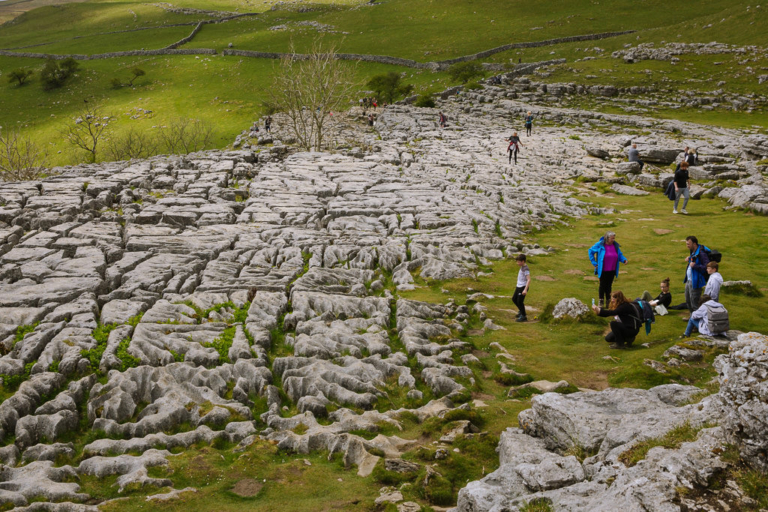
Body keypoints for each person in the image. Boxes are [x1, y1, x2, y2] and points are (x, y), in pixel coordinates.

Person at [588, 231, 628, 307]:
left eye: (614, 238)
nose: (613, 240)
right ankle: (601, 301)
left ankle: (608, 302)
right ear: (607, 238)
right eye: (612, 238)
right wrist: (594, 263)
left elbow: (619, 254)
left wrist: (624, 260)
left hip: (612, 269)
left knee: (609, 285)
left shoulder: (615, 246)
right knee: (602, 285)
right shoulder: (600, 244)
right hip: (603, 269)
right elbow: (590, 251)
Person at [683, 235, 710, 314]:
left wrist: (695, 266)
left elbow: (707, 266)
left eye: (688, 244)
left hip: (696, 281)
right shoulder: (694, 251)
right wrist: (689, 258)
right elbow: (693, 260)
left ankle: (697, 323)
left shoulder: (701, 253)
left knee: (695, 303)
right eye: (686, 244)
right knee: (688, 300)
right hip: (689, 280)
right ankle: (693, 318)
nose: (687, 246)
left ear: (694, 244)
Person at [513, 254, 531, 322]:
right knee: (514, 299)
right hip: (519, 286)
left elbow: (529, 279)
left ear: (523, 261)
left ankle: (524, 316)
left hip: (523, 287)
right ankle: (521, 311)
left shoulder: (526, 269)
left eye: (518, 262)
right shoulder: (522, 267)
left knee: (519, 302)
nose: (517, 263)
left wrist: (525, 290)